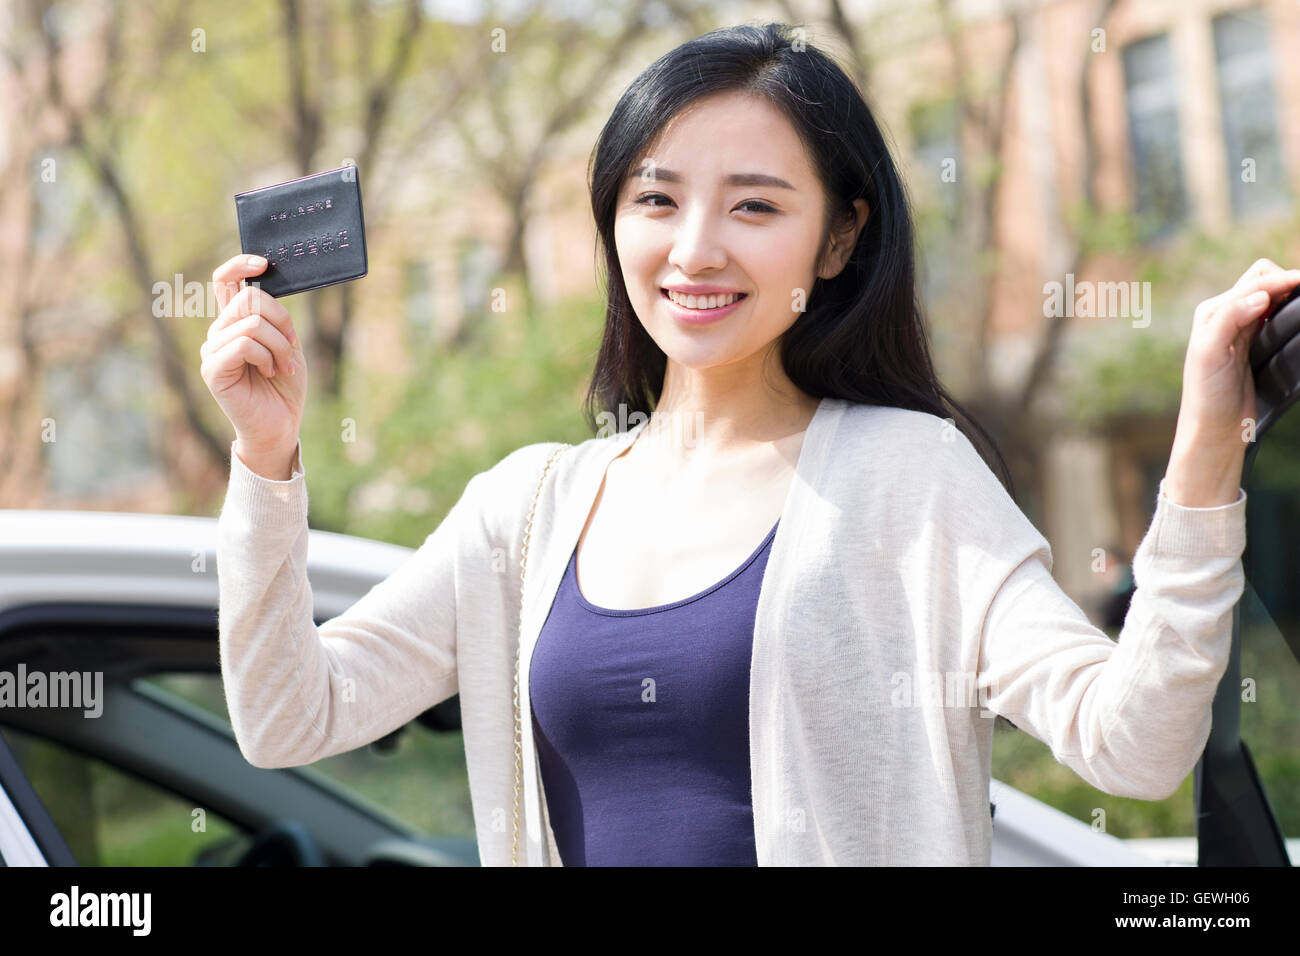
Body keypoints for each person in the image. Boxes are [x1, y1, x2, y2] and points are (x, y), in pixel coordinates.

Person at [202, 22, 1282, 866]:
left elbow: (1133, 743)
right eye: (656, 198)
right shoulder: (522, 511)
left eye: (755, 207)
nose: (695, 248)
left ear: (841, 235)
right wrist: (265, 460)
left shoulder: (904, 480)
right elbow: (290, 715)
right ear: (613, 218)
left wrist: (1203, 447)